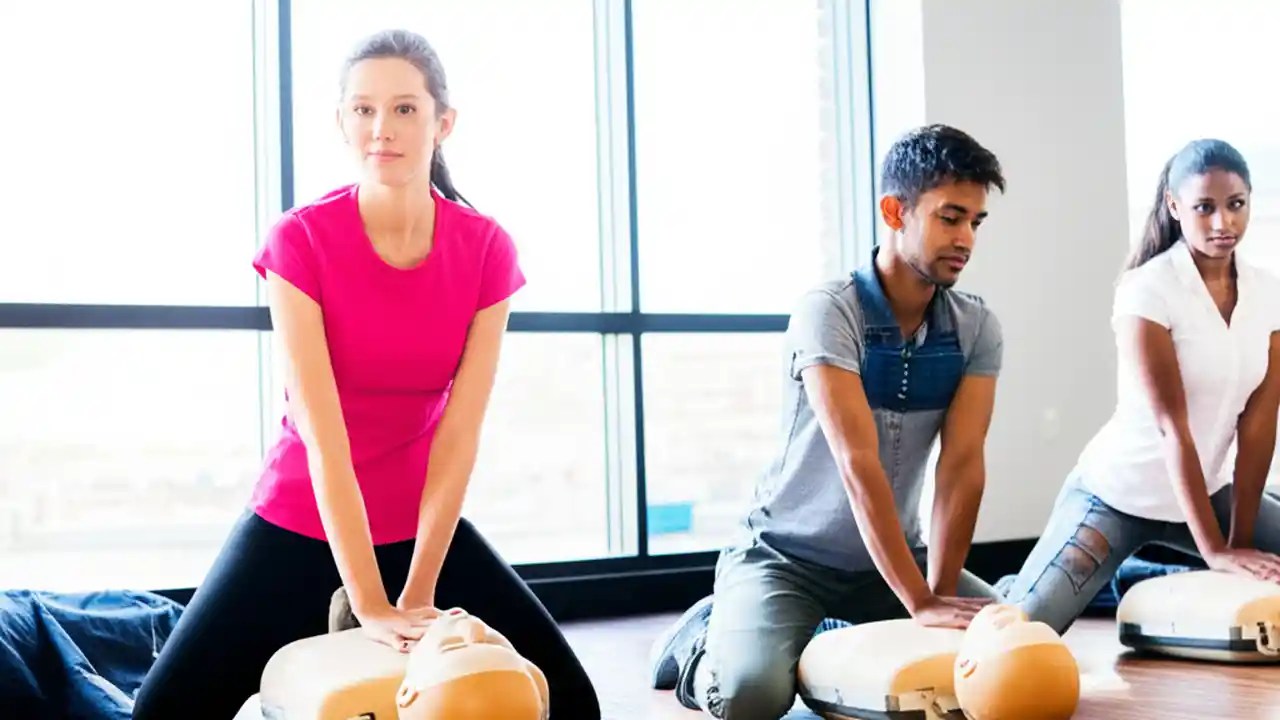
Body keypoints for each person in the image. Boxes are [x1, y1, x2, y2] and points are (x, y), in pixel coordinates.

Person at [133, 29, 600, 719]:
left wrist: (416, 595)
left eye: (405, 109)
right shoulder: (301, 239)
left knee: (569, 702)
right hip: (299, 517)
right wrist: (371, 605)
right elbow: (324, 440)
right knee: (160, 713)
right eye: (363, 109)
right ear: (342, 121)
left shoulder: (486, 250)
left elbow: (459, 435)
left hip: (418, 527)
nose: (382, 129)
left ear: (444, 123)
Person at [649, 124, 1009, 720]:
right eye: (950, 217)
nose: (966, 237)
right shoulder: (829, 311)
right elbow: (857, 462)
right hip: (784, 557)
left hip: (893, 560)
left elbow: (962, 465)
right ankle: (699, 638)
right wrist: (917, 600)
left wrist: (938, 593)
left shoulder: (977, 328)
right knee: (752, 696)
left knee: (1006, 648)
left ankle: (825, 630)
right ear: (896, 211)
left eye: (976, 221)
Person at [1002, 138, 1280, 635]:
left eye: (1236, 205)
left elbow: (1259, 421)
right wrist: (1215, 552)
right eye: (1204, 208)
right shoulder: (1147, 290)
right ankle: (1030, 583)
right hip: (1117, 497)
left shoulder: (1267, 291)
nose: (1223, 223)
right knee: (1026, 631)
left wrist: (1237, 546)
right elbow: (1172, 428)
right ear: (1174, 207)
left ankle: (1138, 575)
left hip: (1208, 492)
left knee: (1259, 567)